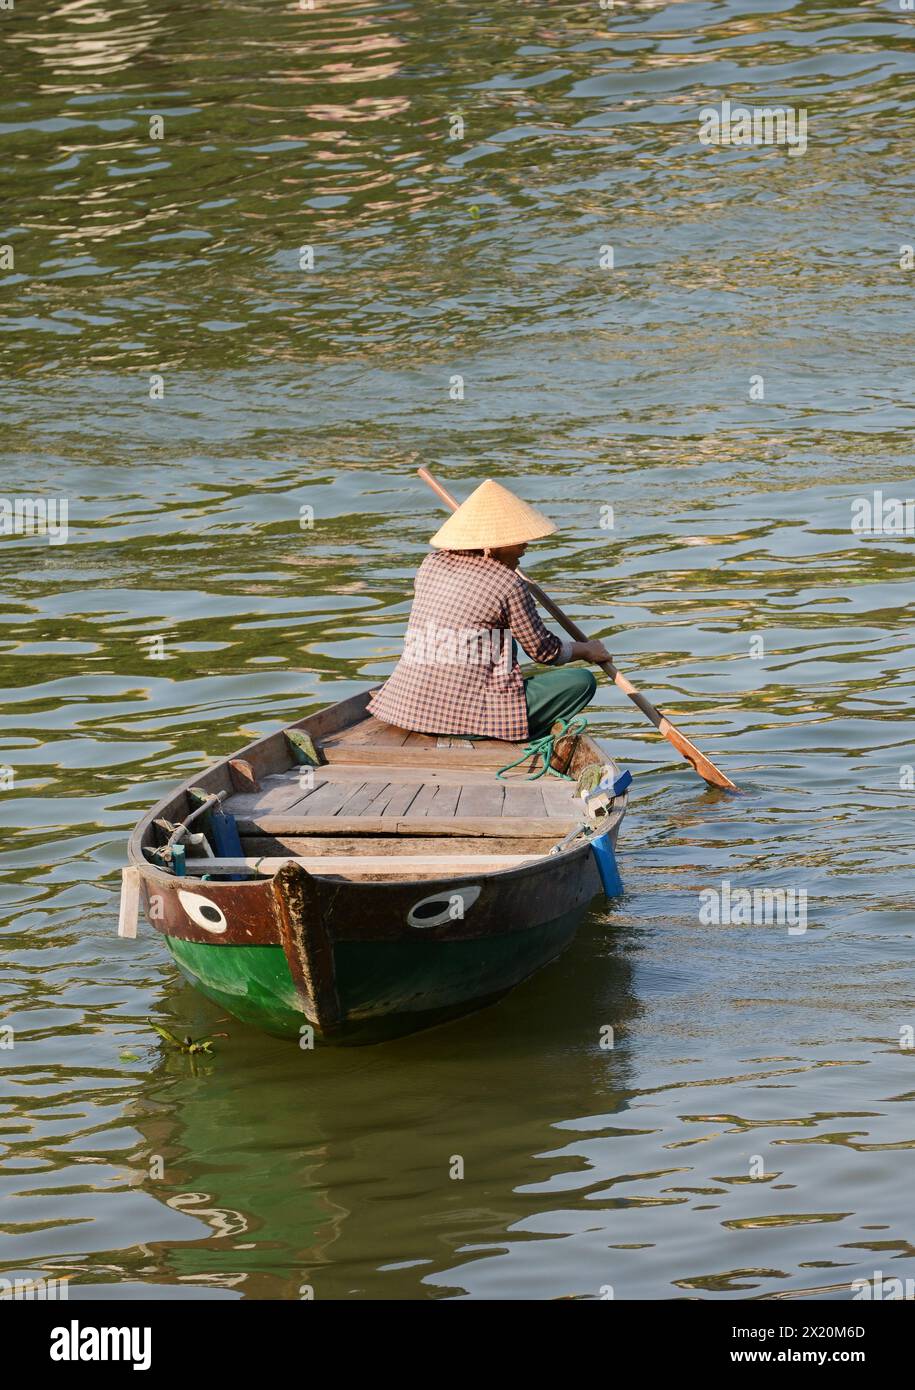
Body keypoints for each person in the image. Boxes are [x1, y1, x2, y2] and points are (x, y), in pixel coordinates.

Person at [367, 478, 612, 742]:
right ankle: (509, 732)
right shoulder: (509, 584)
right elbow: (544, 651)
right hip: (466, 713)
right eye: (517, 541)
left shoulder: (430, 563)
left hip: (408, 707)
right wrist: (587, 650)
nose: (524, 547)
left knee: (502, 647)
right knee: (581, 682)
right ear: (489, 545)